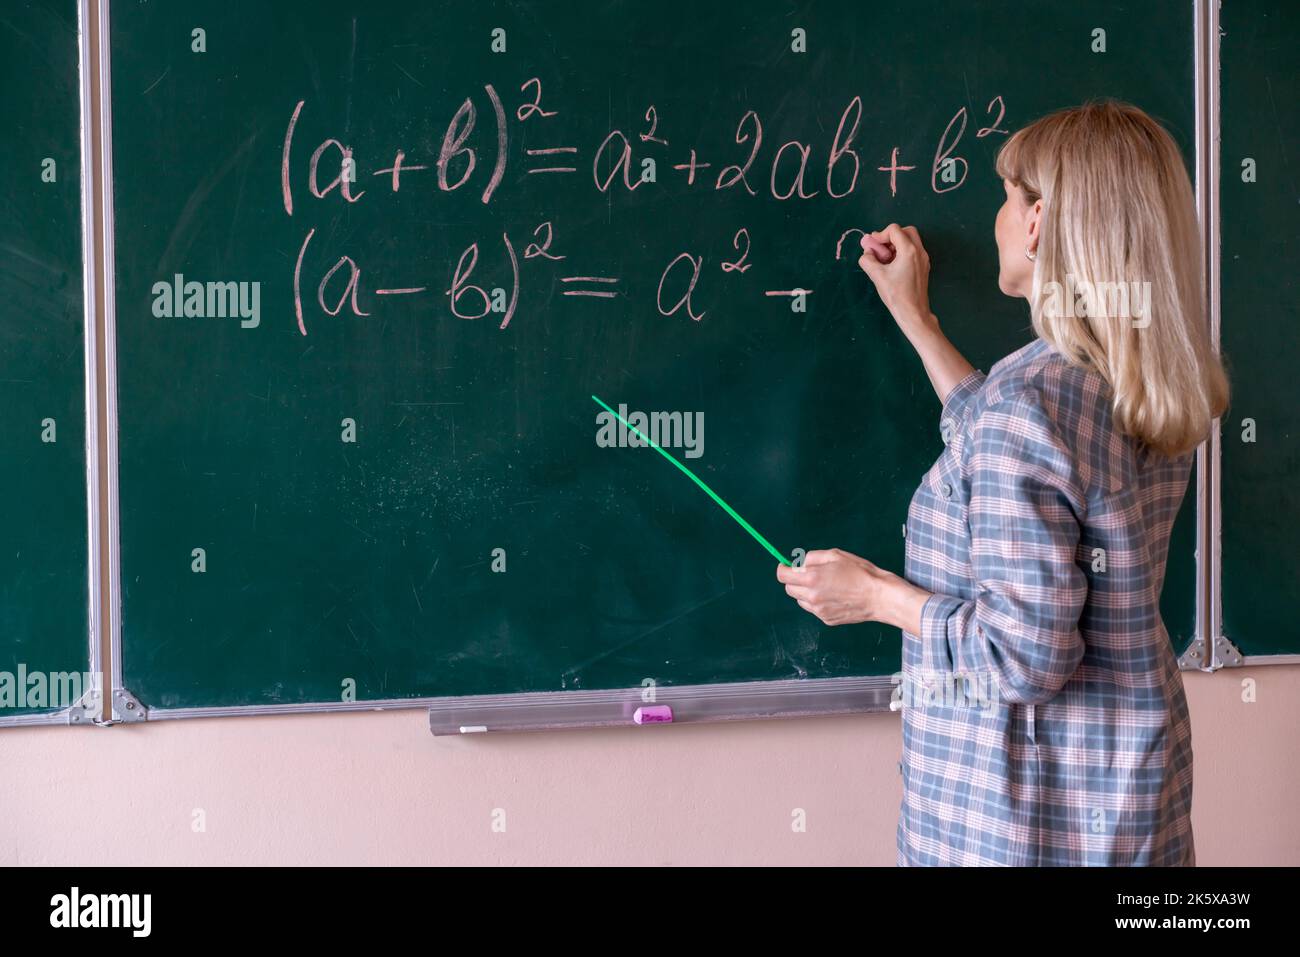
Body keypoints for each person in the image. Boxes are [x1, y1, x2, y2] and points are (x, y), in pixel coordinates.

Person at [776, 100, 1229, 866]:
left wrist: (877, 596)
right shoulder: (1135, 379)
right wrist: (916, 320)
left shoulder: (1031, 408)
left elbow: (1021, 657)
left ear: (1039, 221)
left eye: (1006, 195)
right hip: (1122, 796)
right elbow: (1006, 437)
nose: (996, 216)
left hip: (1019, 819)